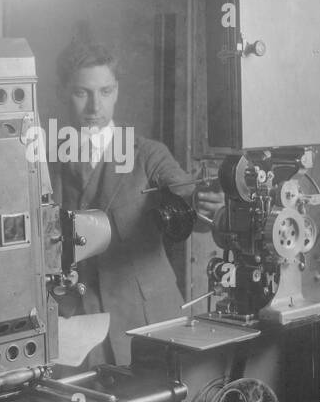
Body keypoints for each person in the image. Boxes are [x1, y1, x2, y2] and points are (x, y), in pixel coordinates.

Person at [49, 33, 223, 367]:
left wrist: (203, 206)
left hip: (145, 323)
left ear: (117, 92)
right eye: (81, 92)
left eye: (105, 92)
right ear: (62, 92)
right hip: (78, 329)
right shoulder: (47, 160)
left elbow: (187, 197)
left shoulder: (147, 154)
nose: (94, 107)